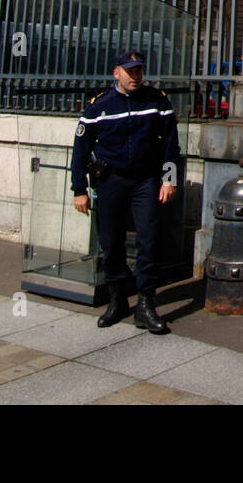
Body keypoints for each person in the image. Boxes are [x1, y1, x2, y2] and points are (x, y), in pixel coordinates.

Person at [72, 50, 179, 334]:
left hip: (146, 180)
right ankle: (118, 299)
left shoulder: (157, 101)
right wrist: (79, 189)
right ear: (116, 72)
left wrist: (170, 180)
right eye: (130, 71)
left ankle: (145, 303)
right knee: (111, 241)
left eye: (139, 71)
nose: (136, 76)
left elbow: (171, 144)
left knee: (148, 239)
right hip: (110, 181)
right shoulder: (99, 106)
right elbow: (80, 150)